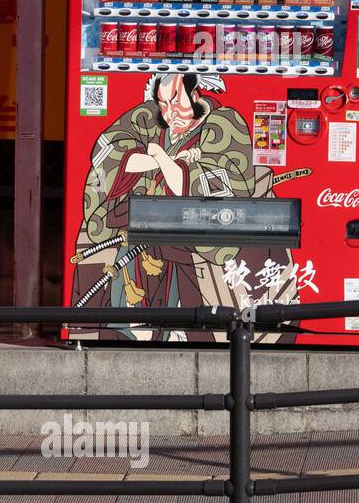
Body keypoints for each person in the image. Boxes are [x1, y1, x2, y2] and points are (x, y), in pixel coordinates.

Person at [69, 73, 298, 341]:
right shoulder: (147, 115)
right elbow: (110, 154)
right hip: (141, 230)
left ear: (196, 96)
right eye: (163, 103)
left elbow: (212, 190)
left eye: (175, 101)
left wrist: (162, 158)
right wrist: (161, 159)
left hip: (194, 239)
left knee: (194, 304)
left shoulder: (224, 122)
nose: (168, 113)